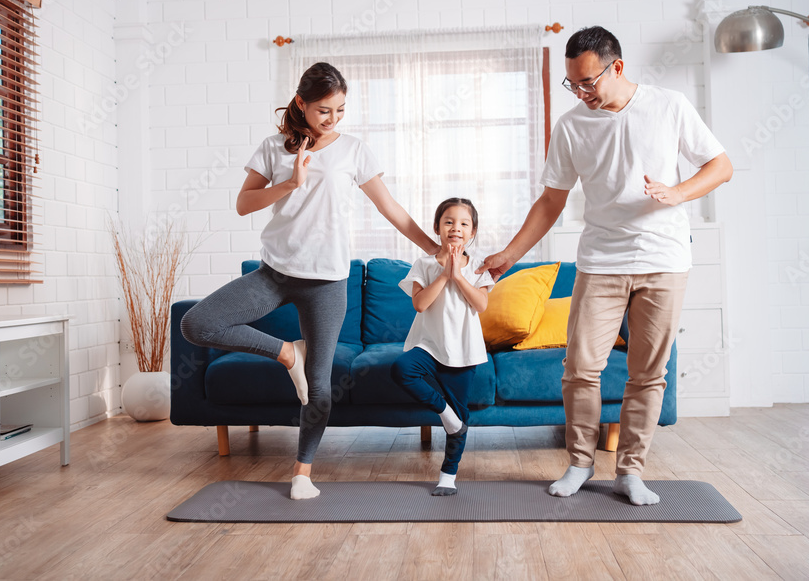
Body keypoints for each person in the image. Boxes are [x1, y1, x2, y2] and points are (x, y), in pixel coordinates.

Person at [479, 26, 733, 506]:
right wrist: (510, 255)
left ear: (616, 67)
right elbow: (552, 200)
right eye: (572, 84)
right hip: (600, 261)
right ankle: (579, 462)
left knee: (647, 374)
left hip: (664, 260)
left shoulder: (669, 105)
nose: (581, 92)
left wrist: (676, 193)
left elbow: (720, 165)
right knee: (580, 369)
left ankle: (631, 472)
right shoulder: (572, 125)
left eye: (588, 82)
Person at [180, 62, 438, 500]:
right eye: (323, 110)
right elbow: (243, 204)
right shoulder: (272, 148)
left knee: (318, 387)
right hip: (275, 274)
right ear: (301, 103)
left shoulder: (354, 151)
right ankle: (287, 353)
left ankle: (302, 472)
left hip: (327, 283)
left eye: (340, 110)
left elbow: (390, 208)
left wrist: (434, 248)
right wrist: (290, 183)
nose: (333, 119)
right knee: (198, 324)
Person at [391, 198, 494, 496]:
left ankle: (448, 474)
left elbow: (481, 304)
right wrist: (444, 274)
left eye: (464, 223)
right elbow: (420, 304)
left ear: (473, 231)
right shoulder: (423, 264)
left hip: (463, 351)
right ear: (437, 228)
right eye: (448, 221)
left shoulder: (478, 265)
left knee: (461, 417)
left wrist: (458, 276)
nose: (455, 228)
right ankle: (445, 414)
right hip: (429, 346)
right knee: (402, 370)